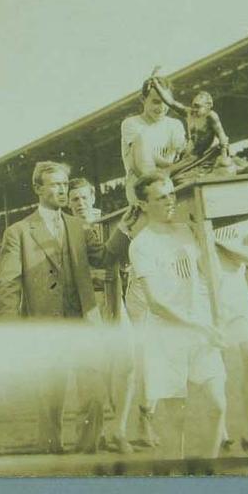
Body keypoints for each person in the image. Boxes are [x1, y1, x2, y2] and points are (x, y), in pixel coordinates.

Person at [0, 161, 136, 454]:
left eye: (64, 184)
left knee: (95, 395)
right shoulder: (19, 232)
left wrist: (125, 228)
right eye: (55, 184)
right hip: (45, 327)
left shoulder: (78, 226)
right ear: (37, 188)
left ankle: (86, 455)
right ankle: (51, 458)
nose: (62, 189)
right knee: (50, 398)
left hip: (83, 323)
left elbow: (105, 257)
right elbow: (7, 284)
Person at [128, 171, 227, 459]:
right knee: (176, 421)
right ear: (144, 205)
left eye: (171, 194)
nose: (170, 201)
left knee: (218, 405)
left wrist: (205, 238)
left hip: (200, 332)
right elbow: (155, 303)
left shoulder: (185, 231)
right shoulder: (142, 245)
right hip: (166, 338)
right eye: (161, 197)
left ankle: (207, 470)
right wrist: (198, 325)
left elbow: (211, 276)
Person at [67, 177, 136, 455]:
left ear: (93, 198)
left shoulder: (111, 220)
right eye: (74, 200)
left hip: (115, 299)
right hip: (88, 305)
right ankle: (97, 436)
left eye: (84, 198)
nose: (80, 204)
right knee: (97, 371)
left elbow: (121, 255)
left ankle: (118, 429)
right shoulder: (68, 228)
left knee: (128, 363)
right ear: (69, 204)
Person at [214, 217, 248, 453]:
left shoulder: (247, 215)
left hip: (236, 295)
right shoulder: (198, 205)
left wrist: (216, 242)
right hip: (210, 296)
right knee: (217, 366)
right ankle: (221, 432)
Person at [121, 75, 187, 203]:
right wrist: (178, 166)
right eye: (156, 102)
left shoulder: (175, 124)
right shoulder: (131, 123)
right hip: (140, 187)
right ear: (143, 99)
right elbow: (146, 157)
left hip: (168, 183)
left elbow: (183, 149)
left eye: (165, 102)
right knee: (142, 141)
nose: (161, 107)